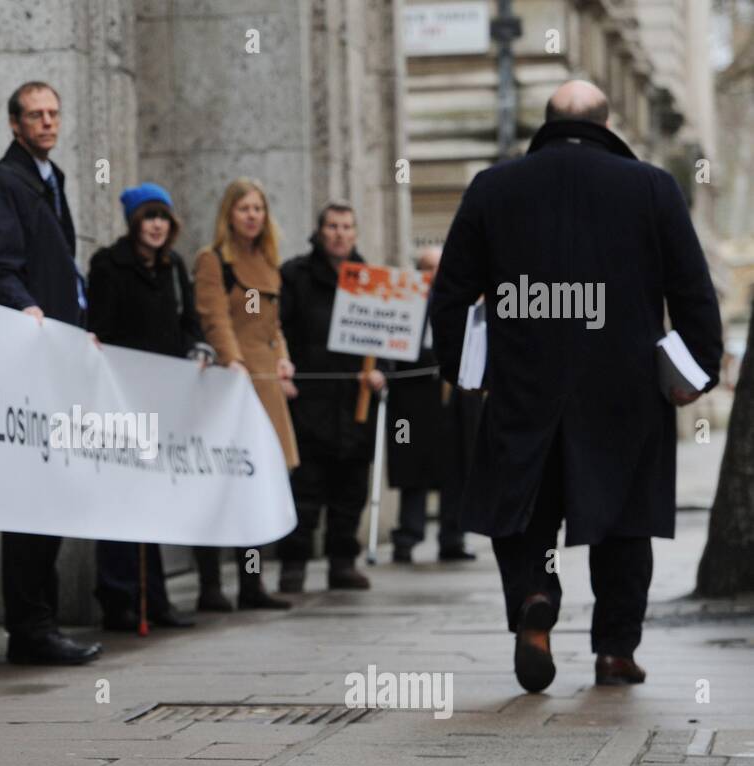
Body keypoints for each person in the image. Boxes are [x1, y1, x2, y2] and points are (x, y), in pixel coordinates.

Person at [430, 80, 724, 691]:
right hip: (625, 389)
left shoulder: (494, 187)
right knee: (623, 521)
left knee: (525, 511)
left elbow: (451, 293)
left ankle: (536, 598)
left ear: (546, 121)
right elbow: (692, 290)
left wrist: (467, 369)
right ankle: (616, 649)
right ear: (607, 121)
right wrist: (699, 369)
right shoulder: (651, 186)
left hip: (522, 383)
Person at [0, 81, 102, 665]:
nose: (47, 122)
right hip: (29, 362)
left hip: (59, 354)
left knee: (52, 492)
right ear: (14, 124)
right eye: (35, 115)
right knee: (32, 496)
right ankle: (30, 627)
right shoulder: (5, 181)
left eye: (54, 112)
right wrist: (27, 309)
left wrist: (80, 318)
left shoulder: (53, 179)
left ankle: (39, 623)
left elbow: (60, 268)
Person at [87, 183, 213, 630]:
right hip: (121, 398)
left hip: (165, 401)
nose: (157, 225)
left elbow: (188, 323)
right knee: (121, 498)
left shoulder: (174, 267)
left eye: (163, 216)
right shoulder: (107, 264)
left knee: (155, 500)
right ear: (134, 222)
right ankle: (118, 598)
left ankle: (154, 597)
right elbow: (98, 329)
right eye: (149, 217)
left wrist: (198, 348)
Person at [192, 178, 299, 611]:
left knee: (257, 483)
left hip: (266, 381)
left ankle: (251, 584)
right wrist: (232, 361)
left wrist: (284, 359)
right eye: (244, 209)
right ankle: (210, 586)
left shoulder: (265, 262)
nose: (252, 216)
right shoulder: (214, 260)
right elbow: (214, 317)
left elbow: (269, 326)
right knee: (220, 485)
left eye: (258, 208)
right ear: (229, 215)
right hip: (231, 381)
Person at [276, 202, 389, 592]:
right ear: (320, 232)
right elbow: (277, 330)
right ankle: (293, 566)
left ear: (355, 234)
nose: (340, 233)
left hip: (356, 405)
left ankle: (343, 563)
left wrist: (382, 373)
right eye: (332, 226)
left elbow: (389, 341)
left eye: (346, 227)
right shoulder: (295, 276)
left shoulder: (374, 282)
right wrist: (282, 368)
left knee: (351, 491)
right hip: (310, 402)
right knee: (305, 491)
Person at [387, 246, 476, 564]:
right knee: (415, 469)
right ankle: (407, 537)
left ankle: (453, 536)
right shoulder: (404, 301)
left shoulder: (463, 297)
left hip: (454, 395)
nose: (436, 275)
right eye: (428, 268)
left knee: (457, 465)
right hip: (413, 396)